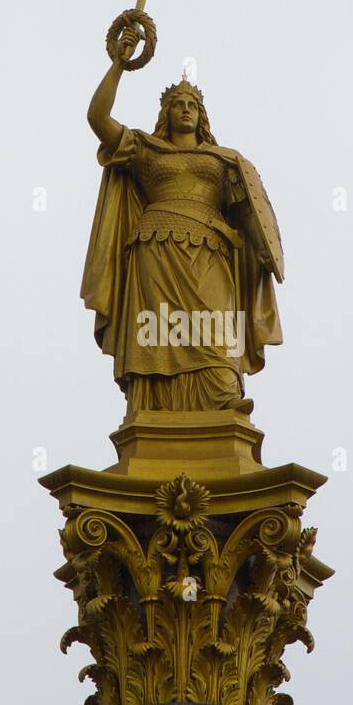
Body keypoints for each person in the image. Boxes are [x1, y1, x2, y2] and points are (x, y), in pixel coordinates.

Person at [82, 26, 283, 415]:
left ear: (202, 115)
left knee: (216, 323)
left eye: (192, 104)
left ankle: (222, 394)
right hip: (155, 249)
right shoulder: (146, 150)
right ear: (167, 113)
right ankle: (150, 402)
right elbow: (98, 118)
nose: (186, 109)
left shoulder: (223, 161)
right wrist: (119, 64)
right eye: (178, 104)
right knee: (157, 328)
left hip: (211, 250)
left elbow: (248, 211)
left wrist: (261, 250)